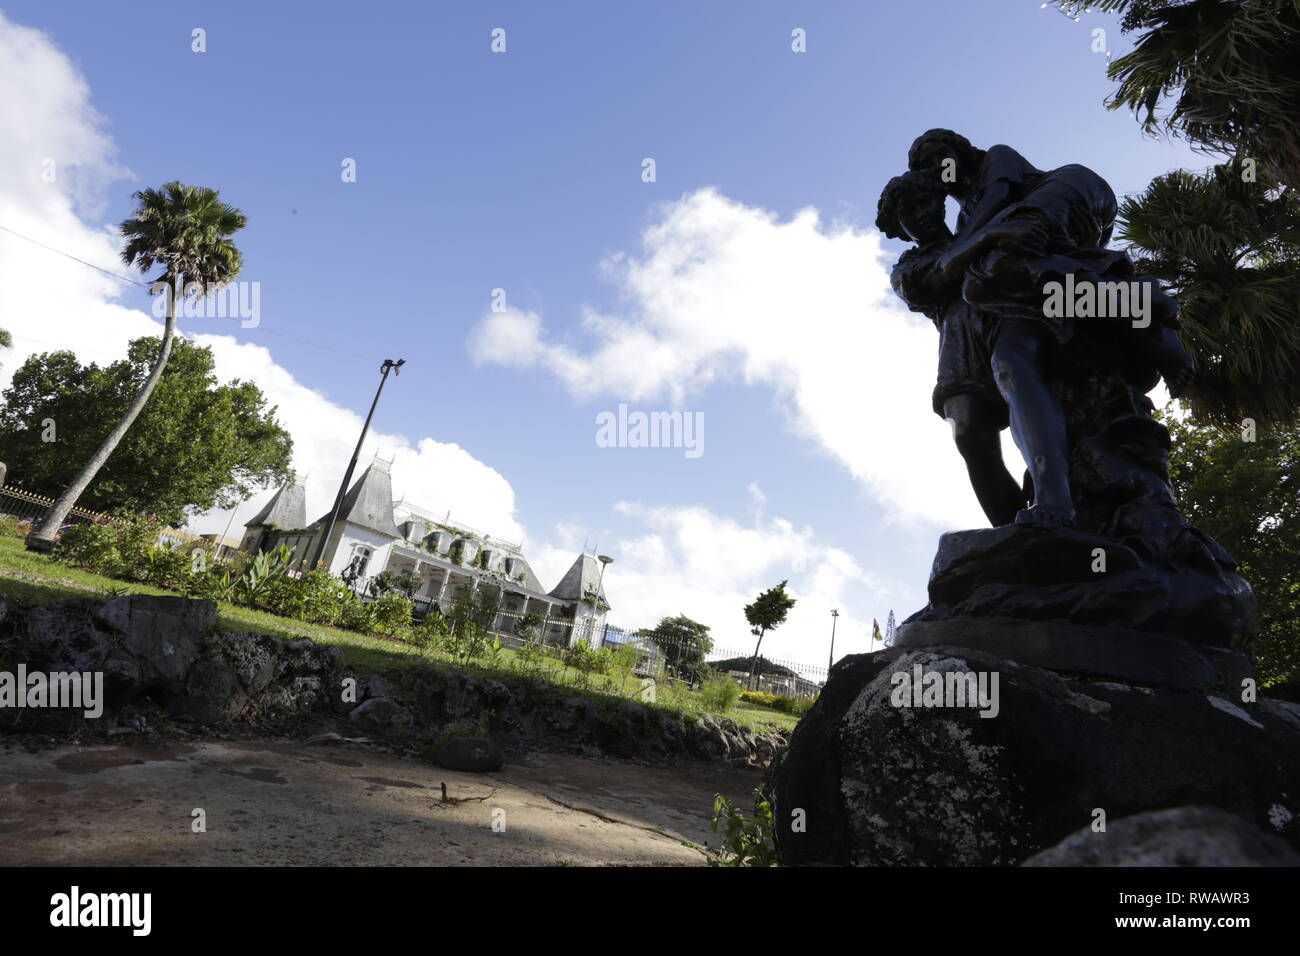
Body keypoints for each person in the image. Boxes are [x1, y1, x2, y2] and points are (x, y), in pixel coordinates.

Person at [877, 171, 1024, 526]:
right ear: (900, 226)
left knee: (1040, 426)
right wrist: (985, 236)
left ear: (939, 202)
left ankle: (1051, 506)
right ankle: (1012, 529)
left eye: (925, 202)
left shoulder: (977, 227)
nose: (920, 214)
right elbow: (926, 281)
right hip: (962, 354)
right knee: (972, 438)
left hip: (1013, 330)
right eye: (907, 213)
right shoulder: (908, 266)